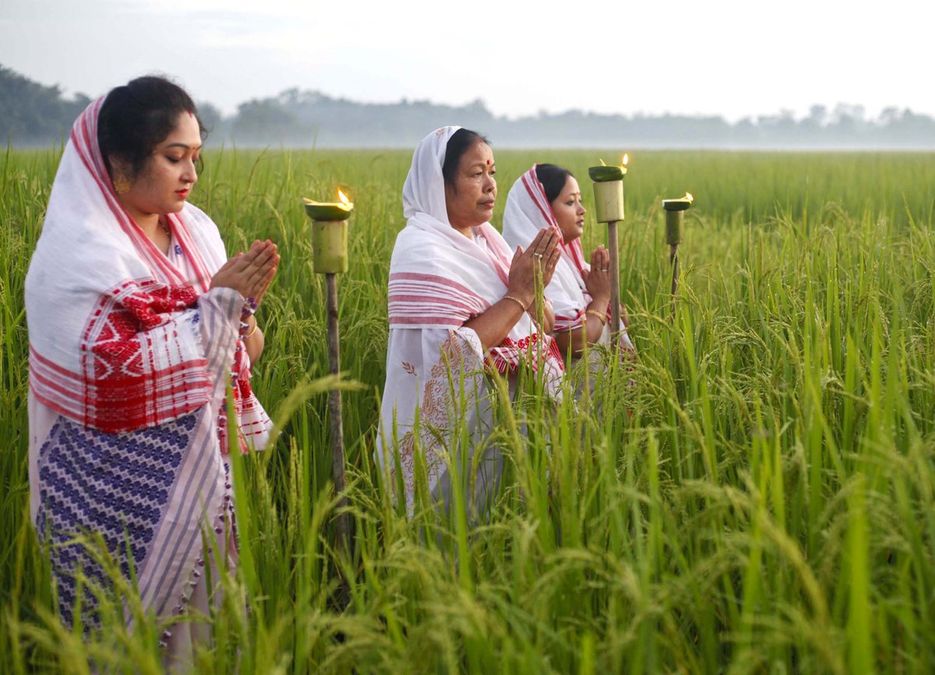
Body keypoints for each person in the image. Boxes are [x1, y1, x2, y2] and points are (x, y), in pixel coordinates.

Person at [24, 76, 278, 661]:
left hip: (202, 481)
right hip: (106, 484)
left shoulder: (199, 234)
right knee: (121, 639)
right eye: (173, 157)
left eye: (195, 157)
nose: (191, 174)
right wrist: (213, 313)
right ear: (117, 160)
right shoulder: (79, 252)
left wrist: (235, 319)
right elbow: (112, 372)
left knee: (203, 638)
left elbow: (242, 354)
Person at [377, 127, 565, 516]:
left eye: (492, 172)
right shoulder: (421, 249)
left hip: (507, 426)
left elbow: (541, 324)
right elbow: (453, 353)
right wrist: (520, 294)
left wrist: (536, 289)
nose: (490, 185)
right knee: (455, 535)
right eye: (476, 174)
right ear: (438, 184)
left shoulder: (488, 240)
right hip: (452, 439)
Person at [502, 163, 634, 361]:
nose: (582, 210)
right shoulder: (536, 265)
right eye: (571, 202)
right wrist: (601, 299)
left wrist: (609, 294)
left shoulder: (573, 265)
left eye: (579, 201)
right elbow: (574, 342)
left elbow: (622, 319)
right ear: (542, 210)